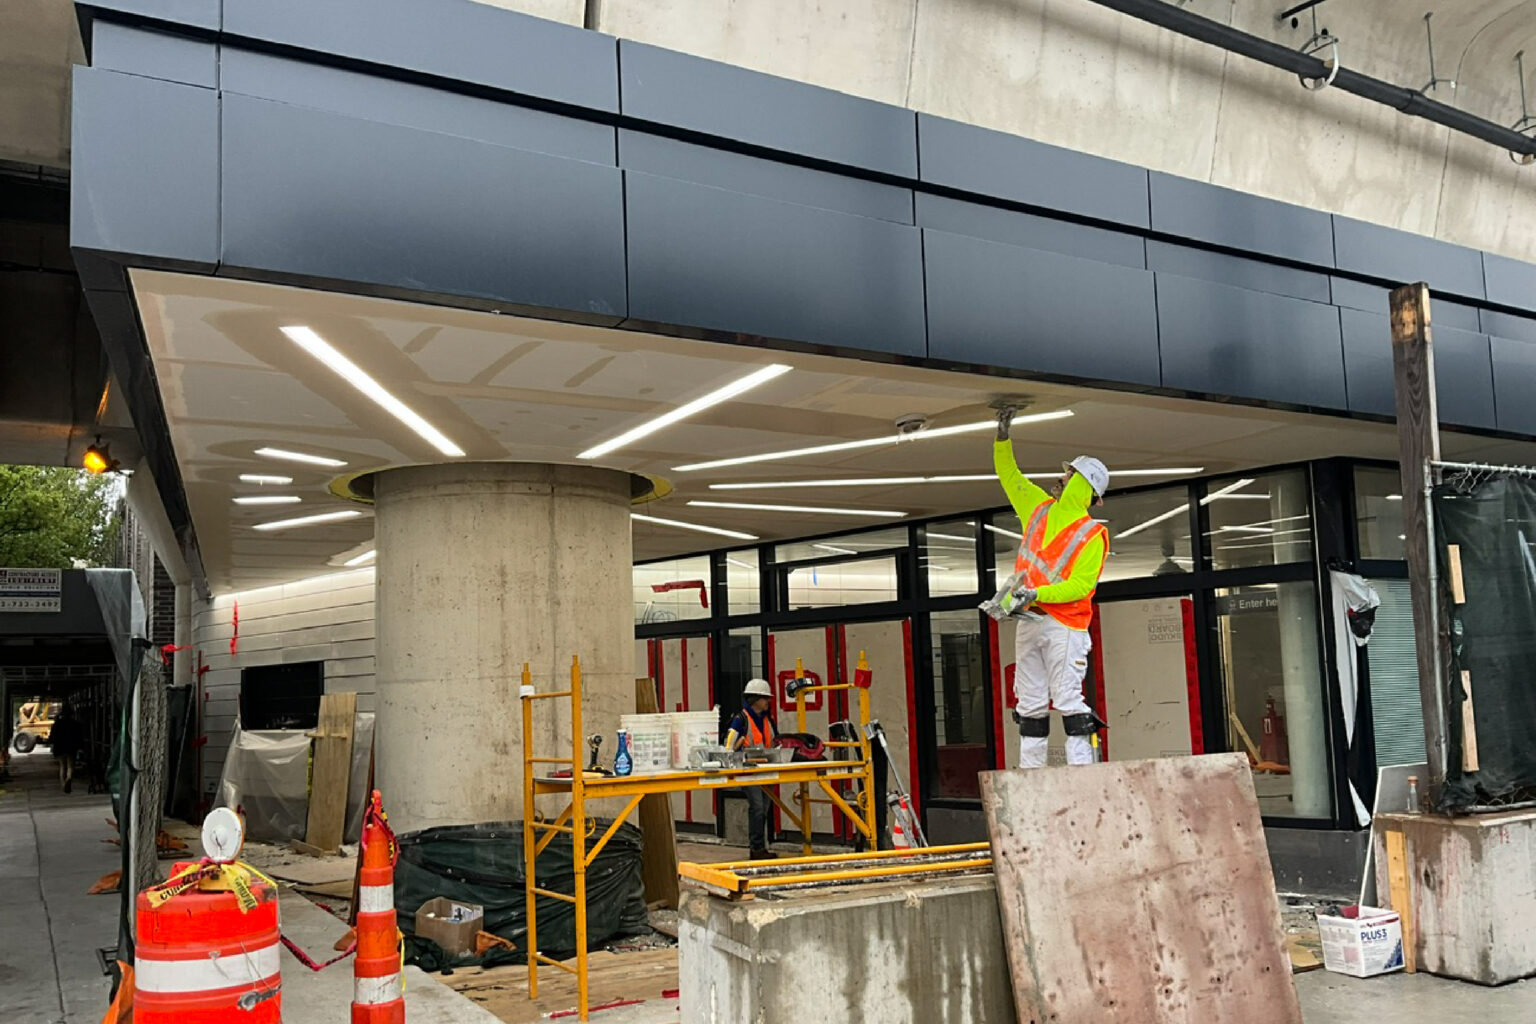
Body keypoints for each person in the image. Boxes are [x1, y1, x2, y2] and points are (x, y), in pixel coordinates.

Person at [983, 405, 1110, 767]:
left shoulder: (1092, 534)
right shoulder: (1038, 509)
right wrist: (1002, 437)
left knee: (1070, 701)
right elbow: (1009, 475)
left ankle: (1081, 775)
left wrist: (1038, 594)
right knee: (1030, 704)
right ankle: (1030, 778)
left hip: (1065, 625)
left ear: (1082, 484)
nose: (1062, 476)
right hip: (1030, 619)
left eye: (1068, 473)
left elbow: (1080, 587)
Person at [724, 679, 778, 860]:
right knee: (757, 808)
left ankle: (760, 847)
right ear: (756, 699)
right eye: (765, 698)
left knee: (763, 809)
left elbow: (775, 741)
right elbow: (729, 745)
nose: (768, 702)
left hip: (767, 769)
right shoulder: (740, 720)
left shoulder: (767, 720)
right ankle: (756, 849)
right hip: (749, 771)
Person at [50, 702, 83, 793]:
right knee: (70, 766)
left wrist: (52, 745)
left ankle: (63, 784)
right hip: (71, 747)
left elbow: (52, 736)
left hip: (60, 747)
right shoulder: (75, 724)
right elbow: (79, 737)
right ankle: (69, 778)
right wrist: (80, 746)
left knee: (62, 766)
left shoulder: (57, 724)